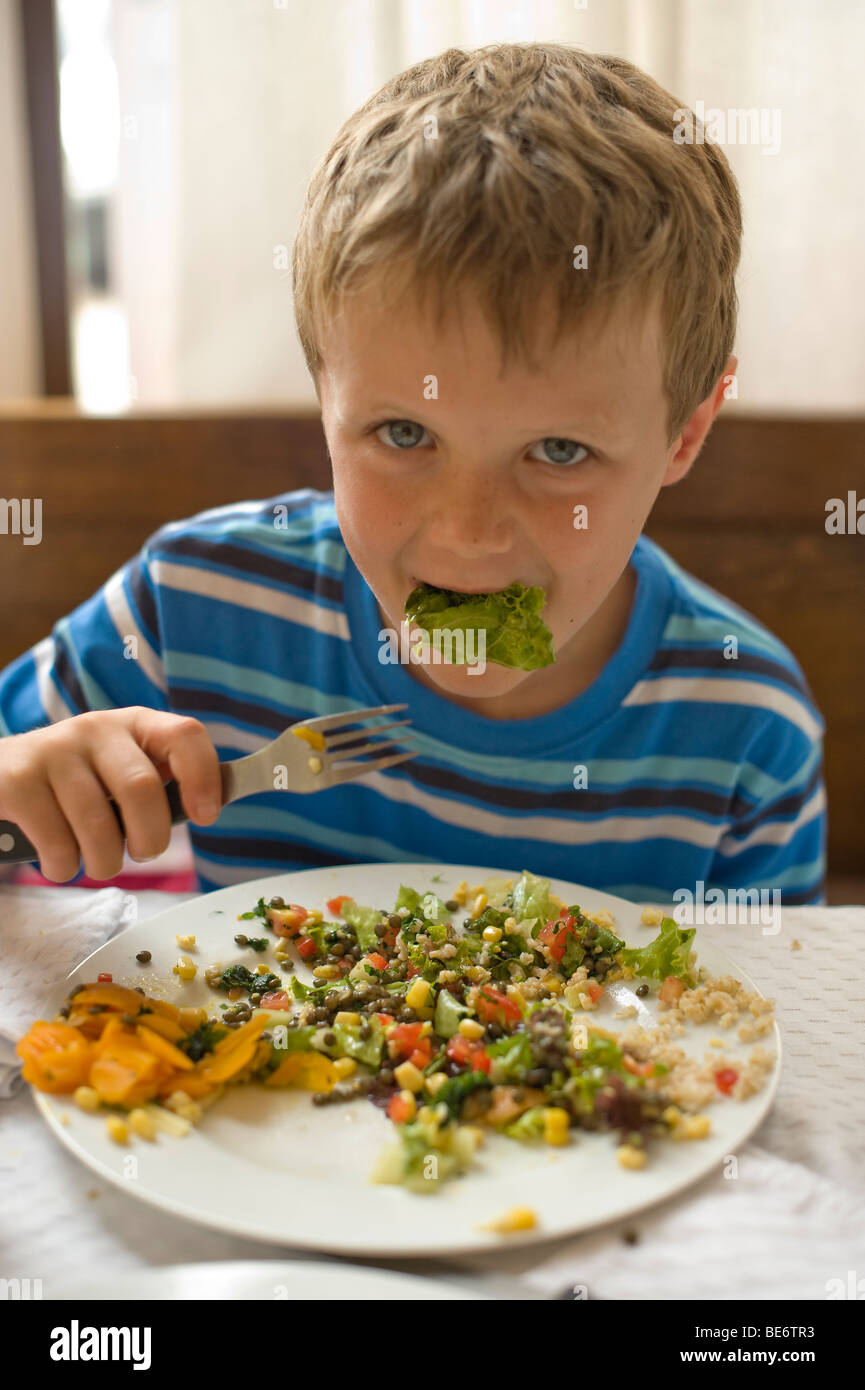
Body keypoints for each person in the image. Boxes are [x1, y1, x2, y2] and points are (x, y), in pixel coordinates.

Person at [0, 42, 825, 906]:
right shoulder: (193, 606)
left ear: (686, 433)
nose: (468, 531)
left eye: (558, 452)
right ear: (322, 395)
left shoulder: (747, 731)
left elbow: (768, 1019)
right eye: (404, 433)